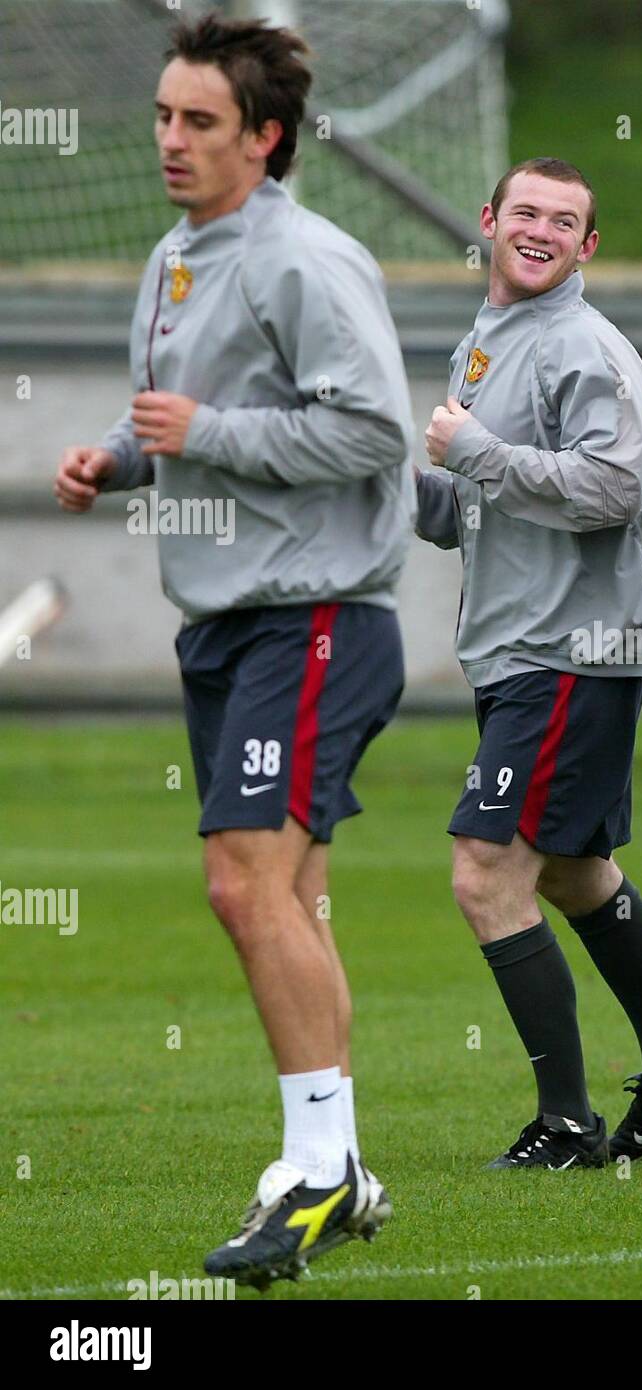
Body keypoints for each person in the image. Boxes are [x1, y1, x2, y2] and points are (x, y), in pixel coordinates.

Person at [53, 15, 416, 1281]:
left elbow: (374, 432)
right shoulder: (174, 254)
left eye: (198, 121)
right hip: (224, 617)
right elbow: (186, 408)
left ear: (264, 137)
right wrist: (123, 451)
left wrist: (202, 433)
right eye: (161, 115)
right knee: (289, 897)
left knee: (239, 881)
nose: (168, 139)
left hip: (314, 616)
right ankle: (343, 1163)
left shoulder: (311, 260)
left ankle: (316, 1171)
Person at [416, 157, 642, 1170]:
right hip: (519, 648)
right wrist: (394, 488)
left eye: (565, 220)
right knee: (570, 869)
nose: (541, 229)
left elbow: (605, 488)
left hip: (575, 647)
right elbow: (476, 502)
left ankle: (564, 1119)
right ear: (490, 221)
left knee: (484, 869)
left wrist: (467, 456)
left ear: (587, 246)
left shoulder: (583, 348)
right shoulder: (487, 342)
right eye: (526, 212)